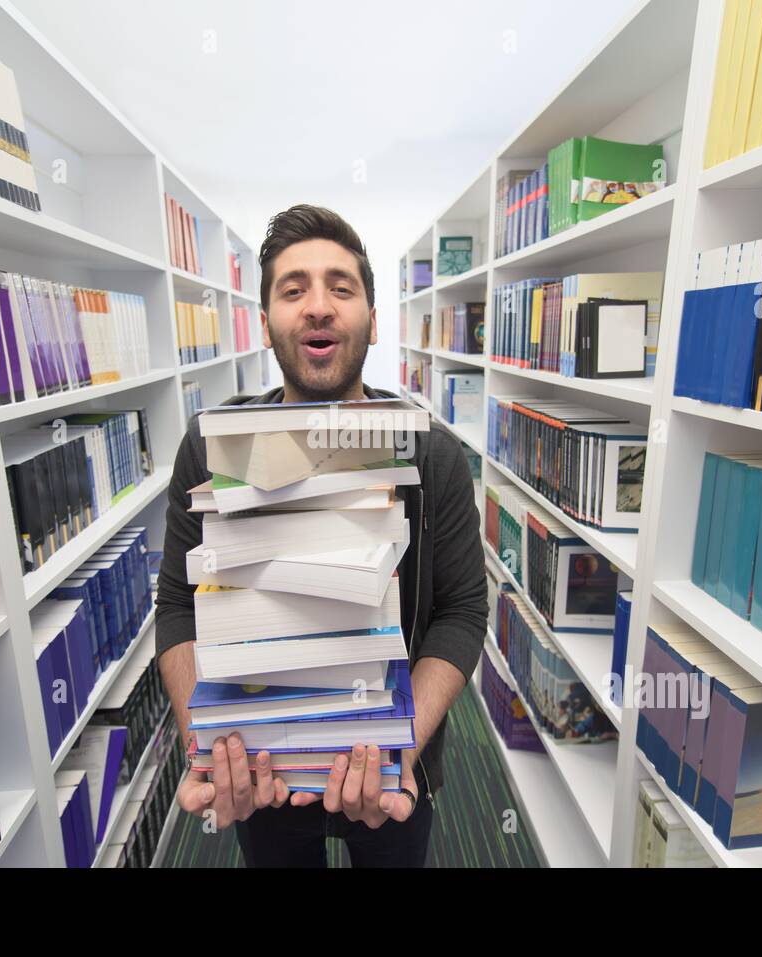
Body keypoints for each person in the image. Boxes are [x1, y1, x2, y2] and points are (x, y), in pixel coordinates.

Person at [154, 204, 487, 868]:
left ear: (370, 317)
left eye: (341, 286)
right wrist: (210, 745)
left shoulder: (434, 455)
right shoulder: (210, 447)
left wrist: (400, 744)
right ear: (267, 321)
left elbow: (462, 611)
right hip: (261, 774)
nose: (318, 305)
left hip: (393, 763)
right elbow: (177, 606)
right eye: (293, 288)